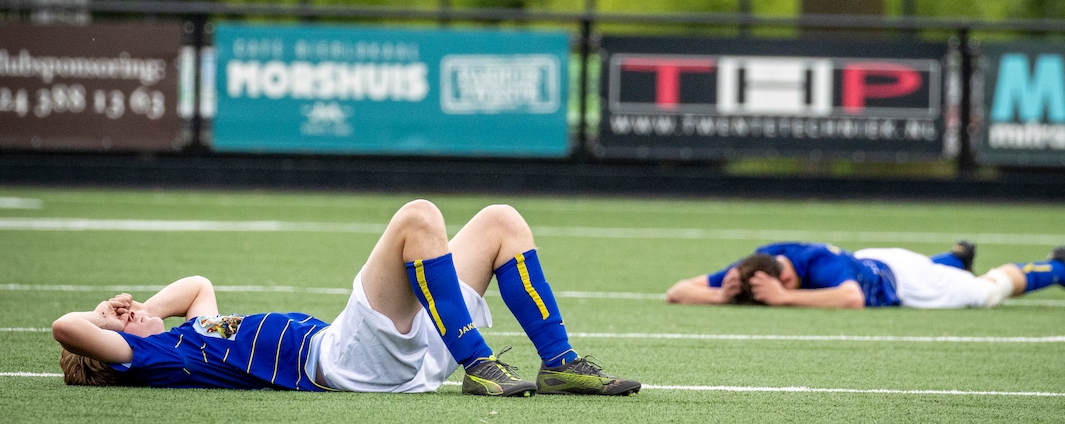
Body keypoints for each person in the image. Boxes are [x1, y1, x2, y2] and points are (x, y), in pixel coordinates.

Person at [52, 199, 641, 397]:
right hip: (342, 361)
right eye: (113, 317)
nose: (121, 307)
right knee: (418, 219)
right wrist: (105, 323)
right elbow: (64, 328)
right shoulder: (152, 359)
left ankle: (559, 363)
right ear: (111, 350)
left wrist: (141, 310)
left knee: (500, 222)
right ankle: (479, 365)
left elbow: (197, 286)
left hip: (390, 357)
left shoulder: (187, 336)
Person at [665, 239, 1065, 309]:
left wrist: (784, 299)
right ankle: (954, 257)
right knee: (950, 273)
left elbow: (852, 298)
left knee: (983, 293)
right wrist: (720, 294)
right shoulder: (756, 265)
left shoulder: (817, 261)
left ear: (784, 278)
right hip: (878, 262)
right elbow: (677, 291)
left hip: (902, 279)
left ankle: (1059, 267)